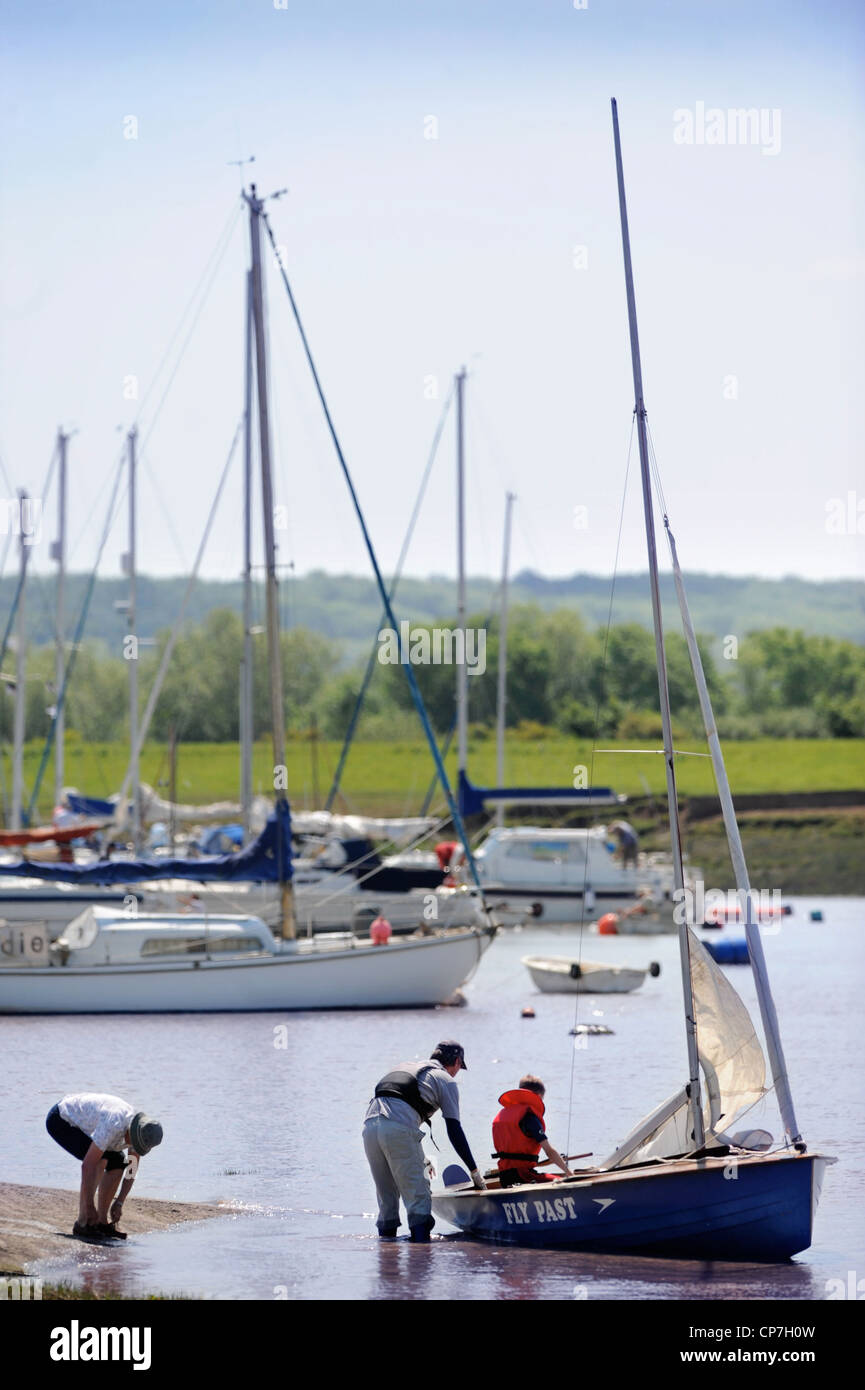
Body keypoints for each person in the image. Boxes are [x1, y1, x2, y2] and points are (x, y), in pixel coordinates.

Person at [363, 1040, 485, 1242]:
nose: (457, 1072)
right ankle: (420, 1259)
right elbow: (454, 1129)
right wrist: (474, 1171)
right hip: (398, 1130)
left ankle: (387, 1257)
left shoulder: (407, 1066)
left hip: (369, 1127)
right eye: (458, 1067)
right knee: (419, 1199)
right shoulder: (445, 1079)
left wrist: (423, 1160)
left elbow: (398, 1113)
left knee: (387, 1200)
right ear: (456, 1061)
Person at [46, 1092, 163, 1240]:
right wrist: (89, 1206)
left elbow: (131, 1170)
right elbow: (88, 1166)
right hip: (62, 1119)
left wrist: (119, 1202)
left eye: (138, 1146)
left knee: (119, 1163)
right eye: (134, 1143)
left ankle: (101, 1222)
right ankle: (83, 1223)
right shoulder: (114, 1123)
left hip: (87, 1124)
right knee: (101, 1161)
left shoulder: (142, 1133)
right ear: (132, 1131)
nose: (133, 1147)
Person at [492, 1075, 571, 1187]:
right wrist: (569, 1173)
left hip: (504, 1177)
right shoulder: (530, 1117)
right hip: (524, 1176)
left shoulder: (502, 1115)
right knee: (562, 1181)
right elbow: (549, 1151)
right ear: (538, 1097)